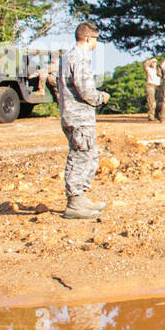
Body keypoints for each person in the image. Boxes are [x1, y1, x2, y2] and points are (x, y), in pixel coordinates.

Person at [57, 22, 110, 220]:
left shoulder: (69, 56)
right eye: (96, 39)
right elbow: (86, 90)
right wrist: (101, 98)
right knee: (79, 156)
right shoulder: (79, 57)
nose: (97, 43)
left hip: (75, 115)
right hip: (79, 117)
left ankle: (81, 197)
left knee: (88, 154)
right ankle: (74, 202)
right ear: (88, 38)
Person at [142, 53, 161, 121]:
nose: (154, 64)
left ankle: (158, 115)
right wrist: (151, 60)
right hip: (150, 85)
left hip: (158, 86)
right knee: (151, 102)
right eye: (153, 62)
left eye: (155, 62)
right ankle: (151, 116)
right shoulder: (148, 69)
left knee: (159, 102)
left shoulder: (158, 70)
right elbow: (145, 64)